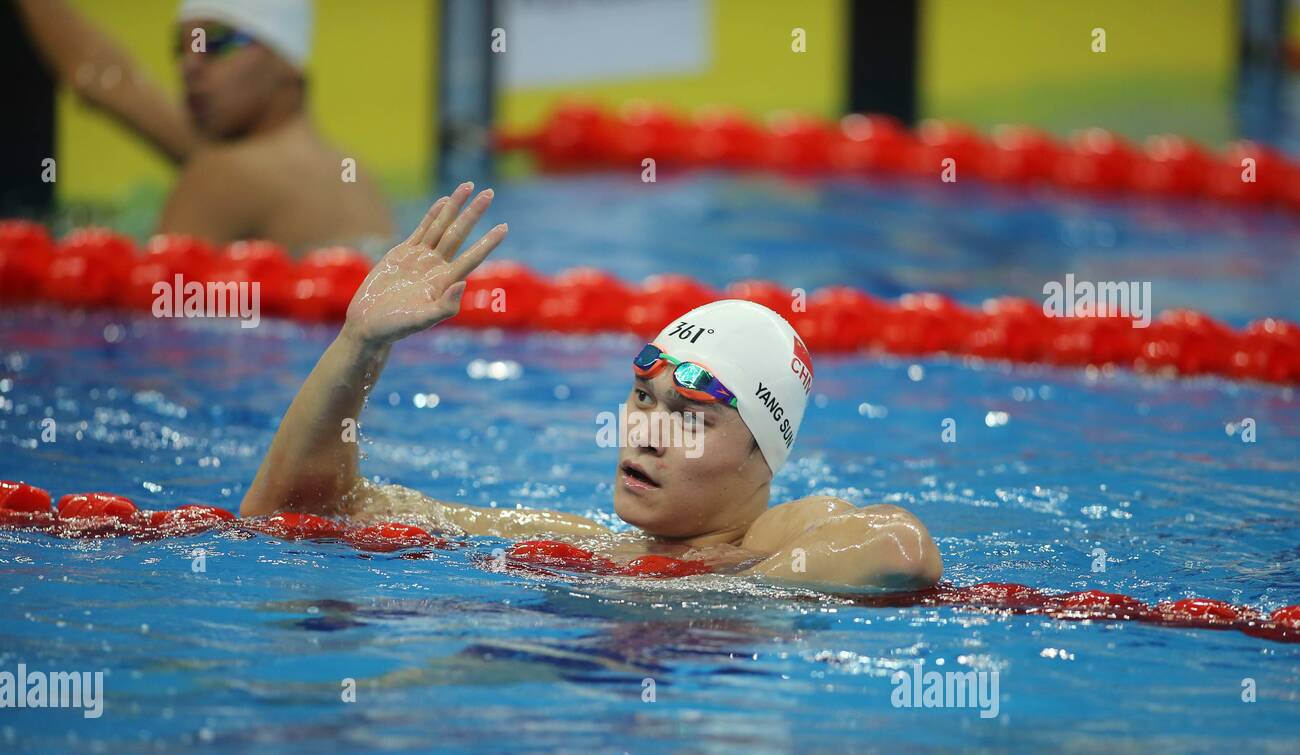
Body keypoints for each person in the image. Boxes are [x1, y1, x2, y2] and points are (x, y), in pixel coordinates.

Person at [241, 184, 943, 591]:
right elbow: (302, 512)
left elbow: (901, 549)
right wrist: (358, 345)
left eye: (692, 417)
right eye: (643, 399)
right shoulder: (587, 549)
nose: (647, 431)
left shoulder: (769, 538)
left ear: (765, 457)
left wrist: (719, 586)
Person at [14, 0, 393, 251]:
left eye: (218, 42)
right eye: (181, 47)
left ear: (287, 60)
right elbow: (103, 77)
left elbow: (156, 337)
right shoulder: (355, 176)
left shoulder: (222, 175)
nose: (190, 66)